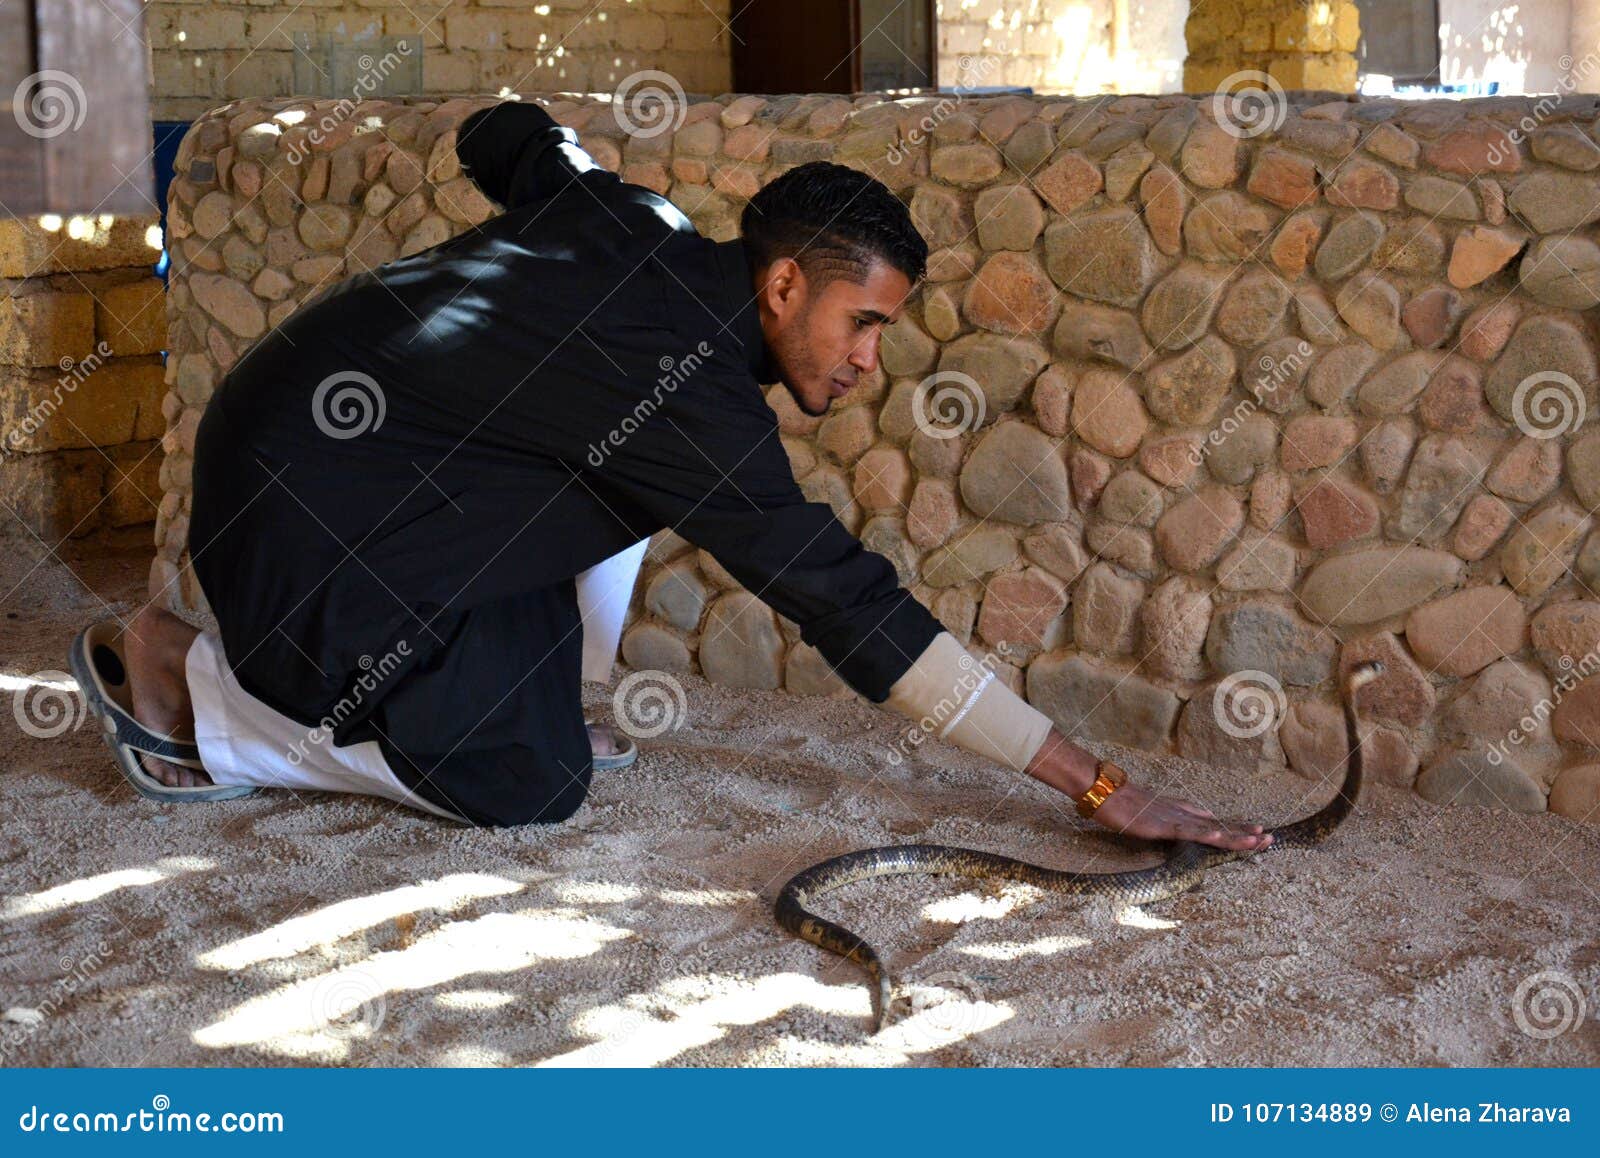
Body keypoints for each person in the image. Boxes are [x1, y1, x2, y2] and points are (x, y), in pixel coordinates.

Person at [79, 98, 1272, 851]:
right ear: (785, 285)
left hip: (323, 479)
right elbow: (843, 602)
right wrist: (1093, 782)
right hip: (298, 537)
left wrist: (569, 165)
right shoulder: (691, 393)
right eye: (859, 323)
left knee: (606, 501)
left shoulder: (631, 216)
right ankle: (196, 683)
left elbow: (504, 130)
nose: (865, 361)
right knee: (526, 782)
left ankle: (493, 689)